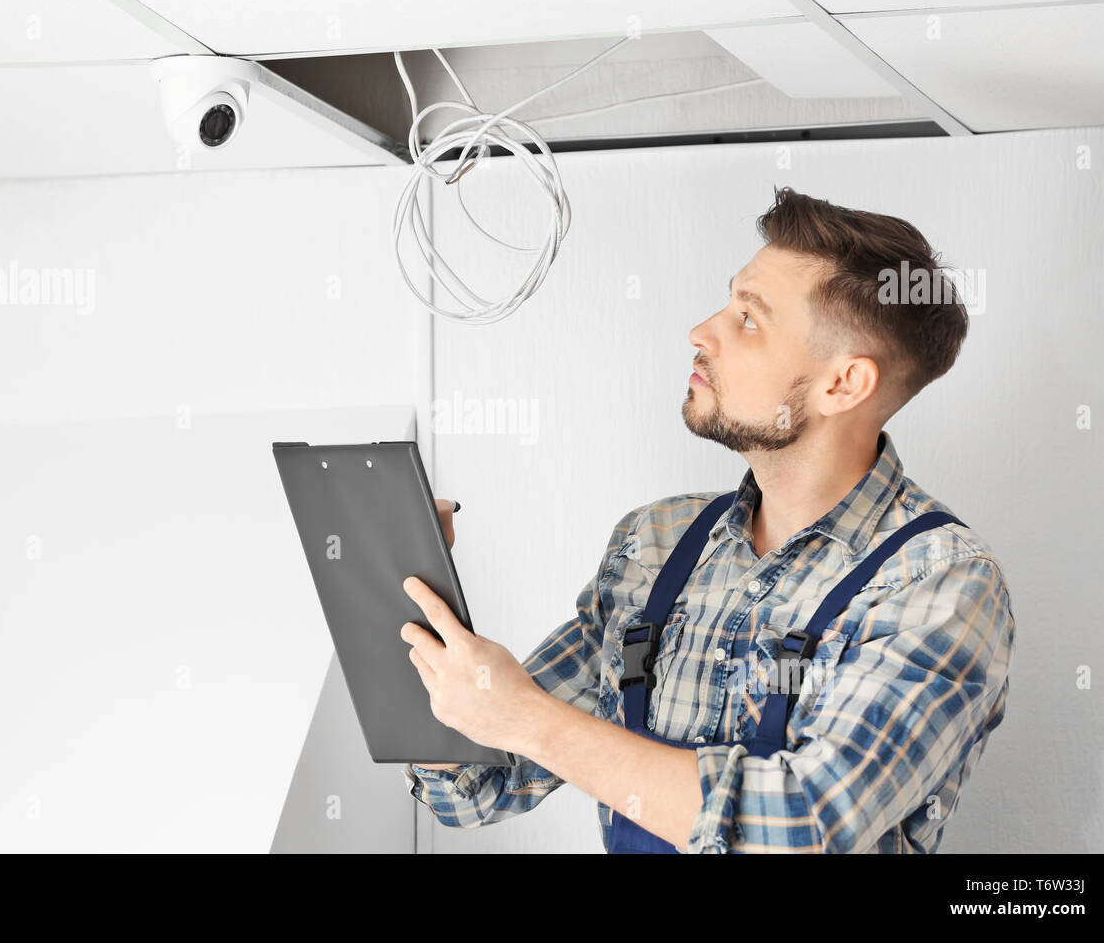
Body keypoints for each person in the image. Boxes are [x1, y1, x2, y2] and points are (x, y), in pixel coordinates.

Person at [400, 187, 1015, 853]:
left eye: (748, 319)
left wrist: (527, 718)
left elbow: (802, 825)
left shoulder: (940, 584)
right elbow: (477, 783)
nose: (703, 331)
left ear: (844, 384)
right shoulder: (656, 545)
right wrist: (406, 591)